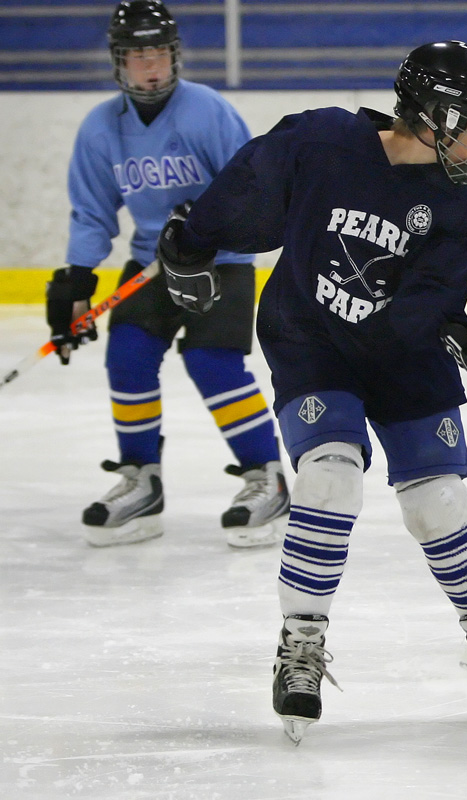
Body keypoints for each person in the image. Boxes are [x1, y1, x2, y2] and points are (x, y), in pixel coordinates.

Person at [154, 40, 467, 741]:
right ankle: (300, 642)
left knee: (437, 500)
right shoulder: (325, 140)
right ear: (431, 114)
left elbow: (427, 308)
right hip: (311, 340)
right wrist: (194, 237)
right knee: (330, 477)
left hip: (400, 354)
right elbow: (248, 185)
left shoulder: (461, 208)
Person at [45, 0, 289, 549]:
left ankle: (266, 478)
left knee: (212, 363)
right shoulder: (101, 128)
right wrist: (76, 280)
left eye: (158, 53)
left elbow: (252, 183)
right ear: (119, 63)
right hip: (149, 262)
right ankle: (142, 480)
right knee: (127, 356)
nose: (150, 66)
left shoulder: (207, 111)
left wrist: (207, 222)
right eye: (137, 56)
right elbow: (91, 211)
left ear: (174, 57)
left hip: (219, 260)